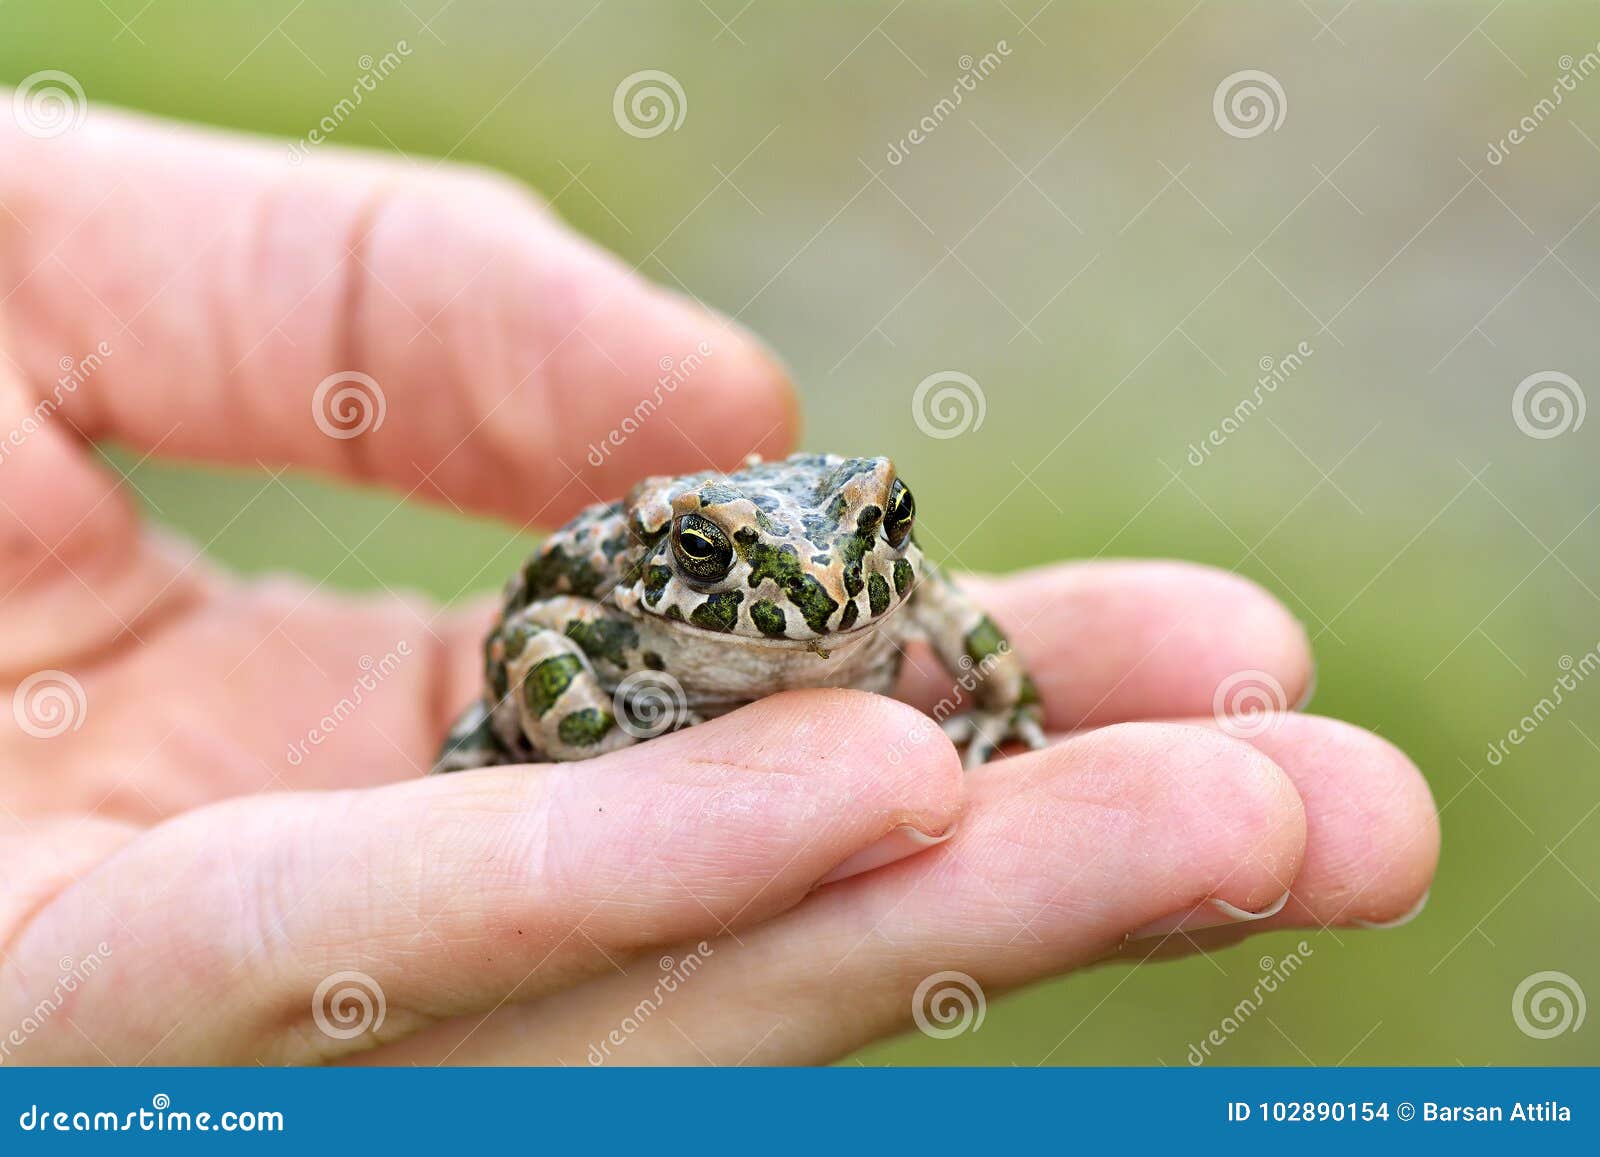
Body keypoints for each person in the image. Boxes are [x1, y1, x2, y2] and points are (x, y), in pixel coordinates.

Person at [0, 104, 1437, 1065]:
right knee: (464, 780)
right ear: (680, 559)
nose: (824, 583)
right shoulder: (627, 581)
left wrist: (1003, 704)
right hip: (631, 680)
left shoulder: (883, 567)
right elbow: (539, 630)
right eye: (727, 561)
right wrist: (590, 737)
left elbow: (950, 613)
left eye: (868, 541)